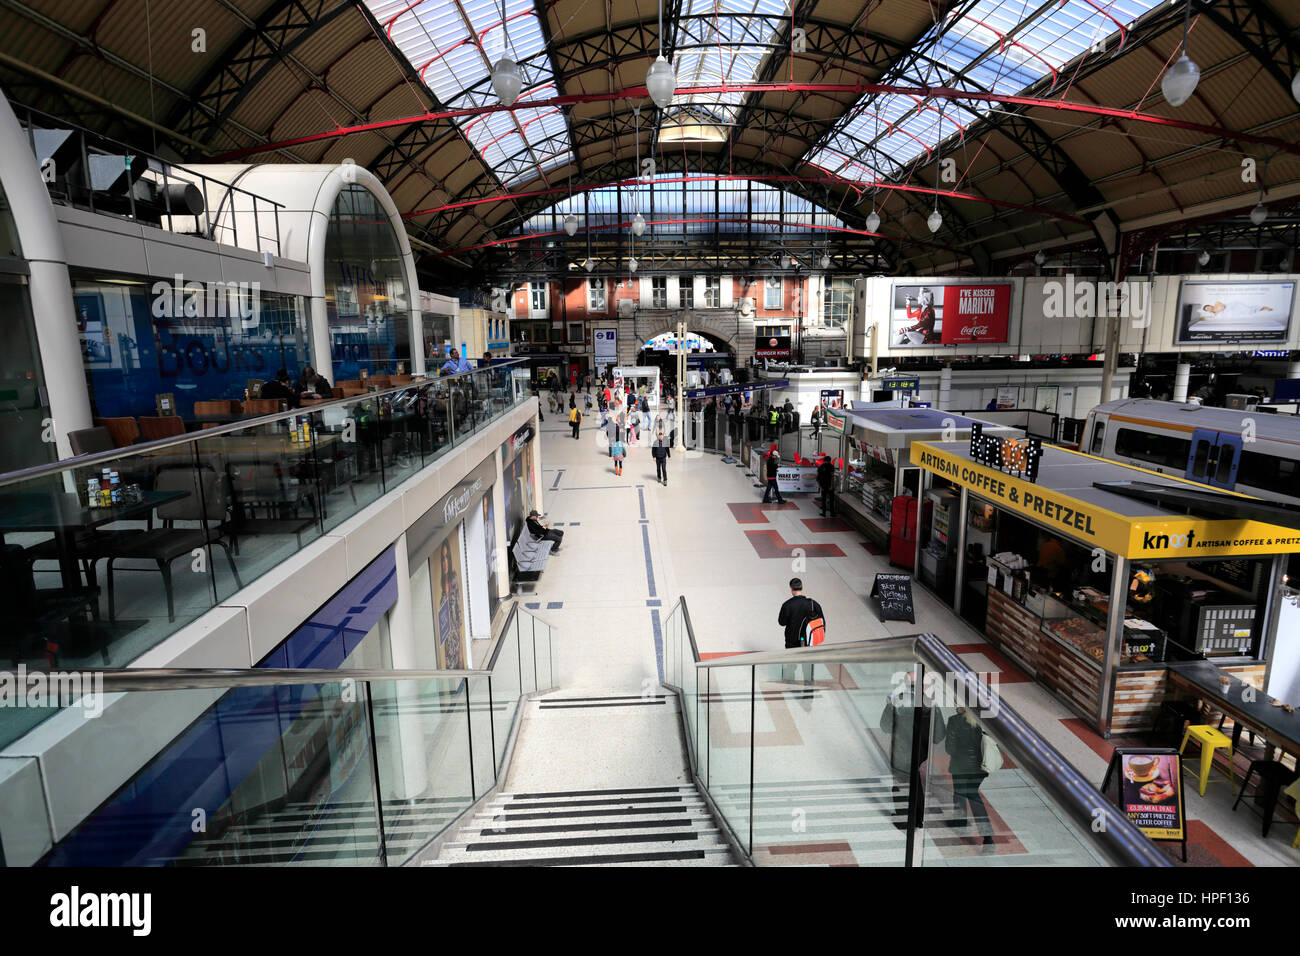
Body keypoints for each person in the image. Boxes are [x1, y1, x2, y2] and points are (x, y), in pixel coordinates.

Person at [944, 706, 995, 845]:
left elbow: (950, 748)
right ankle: (986, 834)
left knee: (961, 795)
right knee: (973, 796)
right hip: (980, 768)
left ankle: (962, 825)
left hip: (961, 767)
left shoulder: (954, 721)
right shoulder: (983, 720)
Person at [776, 577, 822, 683]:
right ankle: (808, 688)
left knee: (791, 662)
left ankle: (789, 681)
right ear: (802, 588)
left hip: (792, 639)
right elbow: (821, 620)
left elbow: (781, 622)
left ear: (791, 589)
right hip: (808, 640)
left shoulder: (787, 605)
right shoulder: (812, 603)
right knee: (807, 665)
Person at [816, 453, 836, 517]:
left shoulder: (820, 467)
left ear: (824, 460)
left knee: (823, 500)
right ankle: (832, 513)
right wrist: (832, 486)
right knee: (831, 500)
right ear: (829, 460)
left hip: (823, 485)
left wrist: (820, 487)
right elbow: (832, 477)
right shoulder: (831, 466)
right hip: (829, 485)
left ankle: (824, 513)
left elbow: (817, 478)